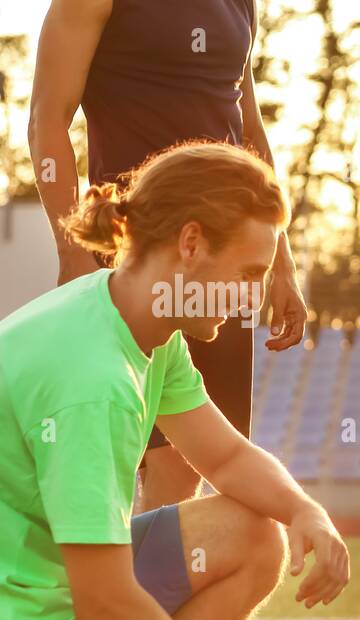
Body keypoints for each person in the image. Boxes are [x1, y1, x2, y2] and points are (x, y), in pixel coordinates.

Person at [0, 141, 349, 620]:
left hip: (47, 590)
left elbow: (223, 455)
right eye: (250, 273)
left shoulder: (137, 320)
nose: (256, 296)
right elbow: (103, 600)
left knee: (256, 535)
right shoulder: (91, 381)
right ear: (191, 244)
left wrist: (306, 509)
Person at [27, 0, 308, 511]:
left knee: (202, 473)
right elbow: (48, 117)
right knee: (138, 457)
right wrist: (72, 252)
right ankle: (102, 585)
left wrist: (279, 258)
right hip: (138, 253)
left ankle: (141, 586)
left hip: (224, 260)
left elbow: (248, 127)